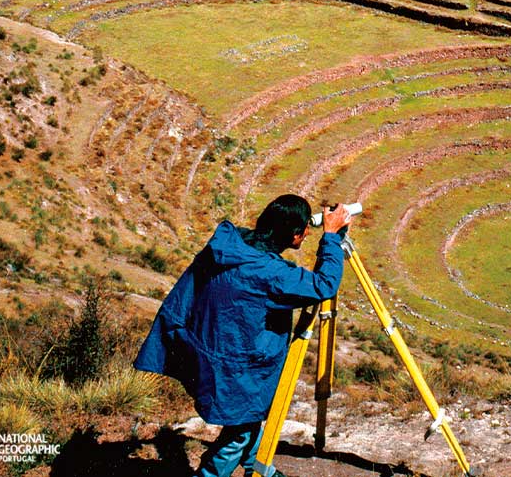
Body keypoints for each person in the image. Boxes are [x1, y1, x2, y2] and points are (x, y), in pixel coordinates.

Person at [134, 195, 352, 477]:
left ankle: (258, 467)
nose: (308, 233)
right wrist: (332, 238)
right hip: (237, 367)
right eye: (304, 230)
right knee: (240, 430)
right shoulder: (268, 272)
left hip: (210, 349)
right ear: (294, 235)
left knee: (245, 421)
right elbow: (324, 285)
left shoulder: (230, 244)